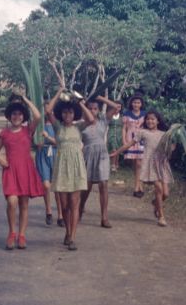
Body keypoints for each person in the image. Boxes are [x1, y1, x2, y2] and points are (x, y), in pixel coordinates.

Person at [45, 88, 95, 251]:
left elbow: (91, 118)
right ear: (62, 114)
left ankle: (72, 236)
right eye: (65, 112)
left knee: (74, 204)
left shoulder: (79, 127)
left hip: (76, 167)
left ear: (75, 114)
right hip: (61, 168)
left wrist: (79, 102)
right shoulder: (58, 127)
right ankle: (67, 231)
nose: (68, 115)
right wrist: (59, 92)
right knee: (65, 205)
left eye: (71, 113)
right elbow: (48, 110)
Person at [0, 97, 45, 250]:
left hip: (25, 170)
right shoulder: (4, 134)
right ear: (9, 116)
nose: (17, 117)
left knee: (24, 204)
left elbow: (37, 116)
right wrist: (0, 160)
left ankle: (21, 235)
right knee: (12, 202)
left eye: (20, 114)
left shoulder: (28, 130)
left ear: (23, 117)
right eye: (14, 114)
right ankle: (11, 233)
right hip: (10, 170)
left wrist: (26, 101)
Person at [112, 110, 175, 226]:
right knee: (159, 189)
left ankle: (156, 203)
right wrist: (117, 152)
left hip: (162, 164)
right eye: (148, 119)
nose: (150, 121)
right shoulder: (142, 132)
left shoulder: (164, 134)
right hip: (150, 164)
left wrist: (173, 146)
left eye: (153, 119)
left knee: (166, 193)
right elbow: (129, 144)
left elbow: (169, 150)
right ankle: (161, 216)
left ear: (158, 121)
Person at [79, 96, 121, 228]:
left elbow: (116, 107)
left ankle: (104, 217)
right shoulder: (81, 124)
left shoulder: (103, 120)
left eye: (95, 108)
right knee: (87, 185)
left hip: (102, 154)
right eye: (90, 108)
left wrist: (101, 98)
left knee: (103, 183)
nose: (92, 111)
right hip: (87, 154)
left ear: (98, 110)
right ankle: (80, 207)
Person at [37, 116, 64, 227]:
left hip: (56, 154)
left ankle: (61, 215)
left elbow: (60, 143)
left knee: (57, 187)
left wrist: (48, 137)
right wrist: (37, 143)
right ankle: (48, 211)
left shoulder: (58, 125)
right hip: (43, 154)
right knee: (46, 185)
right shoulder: (39, 125)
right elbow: (34, 140)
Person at [122, 95, 147, 197]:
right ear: (131, 103)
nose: (136, 104)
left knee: (139, 164)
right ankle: (138, 185)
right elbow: (124, 128)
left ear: (141, 104)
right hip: (130, 139)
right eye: (134, 102)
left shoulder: (145, 114)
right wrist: (124, 141)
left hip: (141, 140)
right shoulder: (126, 114)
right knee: (136, 164)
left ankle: (138, 187)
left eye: (138, 102)